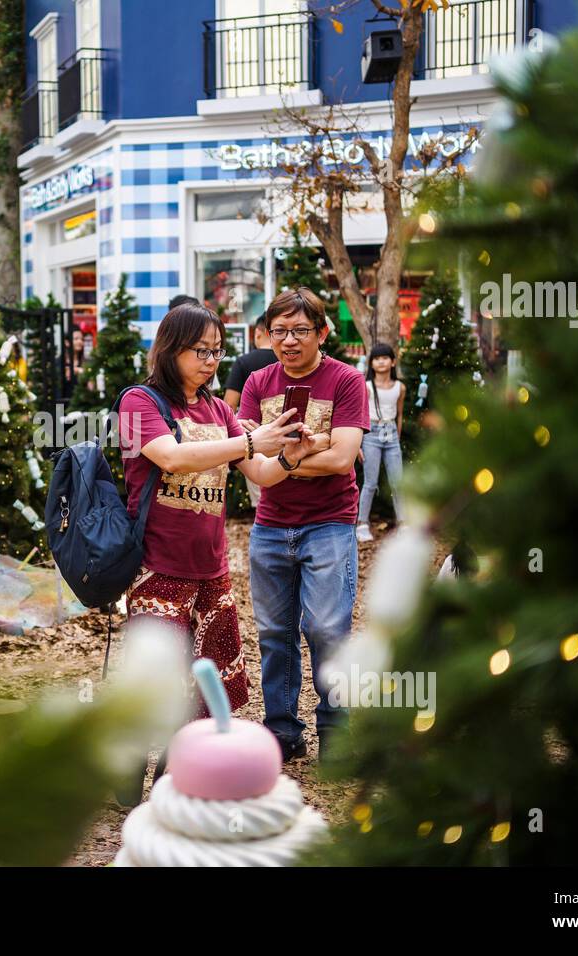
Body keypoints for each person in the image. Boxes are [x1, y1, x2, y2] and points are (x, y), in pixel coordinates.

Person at [117, 303, 305, 796]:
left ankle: (174, 773)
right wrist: (248, 442)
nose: (211, 361)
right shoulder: (139, 403)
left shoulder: (219, 409)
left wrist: (288, 454)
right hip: (157, 569)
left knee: (207, 685)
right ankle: (128, 763)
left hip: (212, 571)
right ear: (170, 347)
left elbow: (262, 472)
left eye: (218, 352)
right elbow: (172, 457)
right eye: (201, 350)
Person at [237, 289, 369, 763]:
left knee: (327, 629)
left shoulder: (347, 381)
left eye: (300, 330)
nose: (288, 341)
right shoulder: (257, 383)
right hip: (270, 526)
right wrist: (305, 451)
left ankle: (336, 732)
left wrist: (284, 456)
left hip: (329, 524)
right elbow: (248, 464)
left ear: (322, 332)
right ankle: (282, 733)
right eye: (278, 331)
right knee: (274, 633)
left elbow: (342, 459)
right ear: (266, 334)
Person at [223, 313, 278, 510]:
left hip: (254, 438)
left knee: (262, 504)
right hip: (288, 438)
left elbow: (229, 404)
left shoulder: (244, 362)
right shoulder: (292, 362)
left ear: (258, 333)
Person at [356, 342, 405, 543]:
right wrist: (357, 444)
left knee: (398, 483)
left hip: (391, 433)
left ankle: (404, 523)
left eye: (385, 357)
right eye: (376, 358)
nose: (381, 361)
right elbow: (358, 415)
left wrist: (397, 437)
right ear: (371, 363)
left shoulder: (400, 387)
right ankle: (362, 523)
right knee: (370, 482)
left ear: (393, 362)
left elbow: (400, 414)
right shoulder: (366, 387)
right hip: (371, 433)